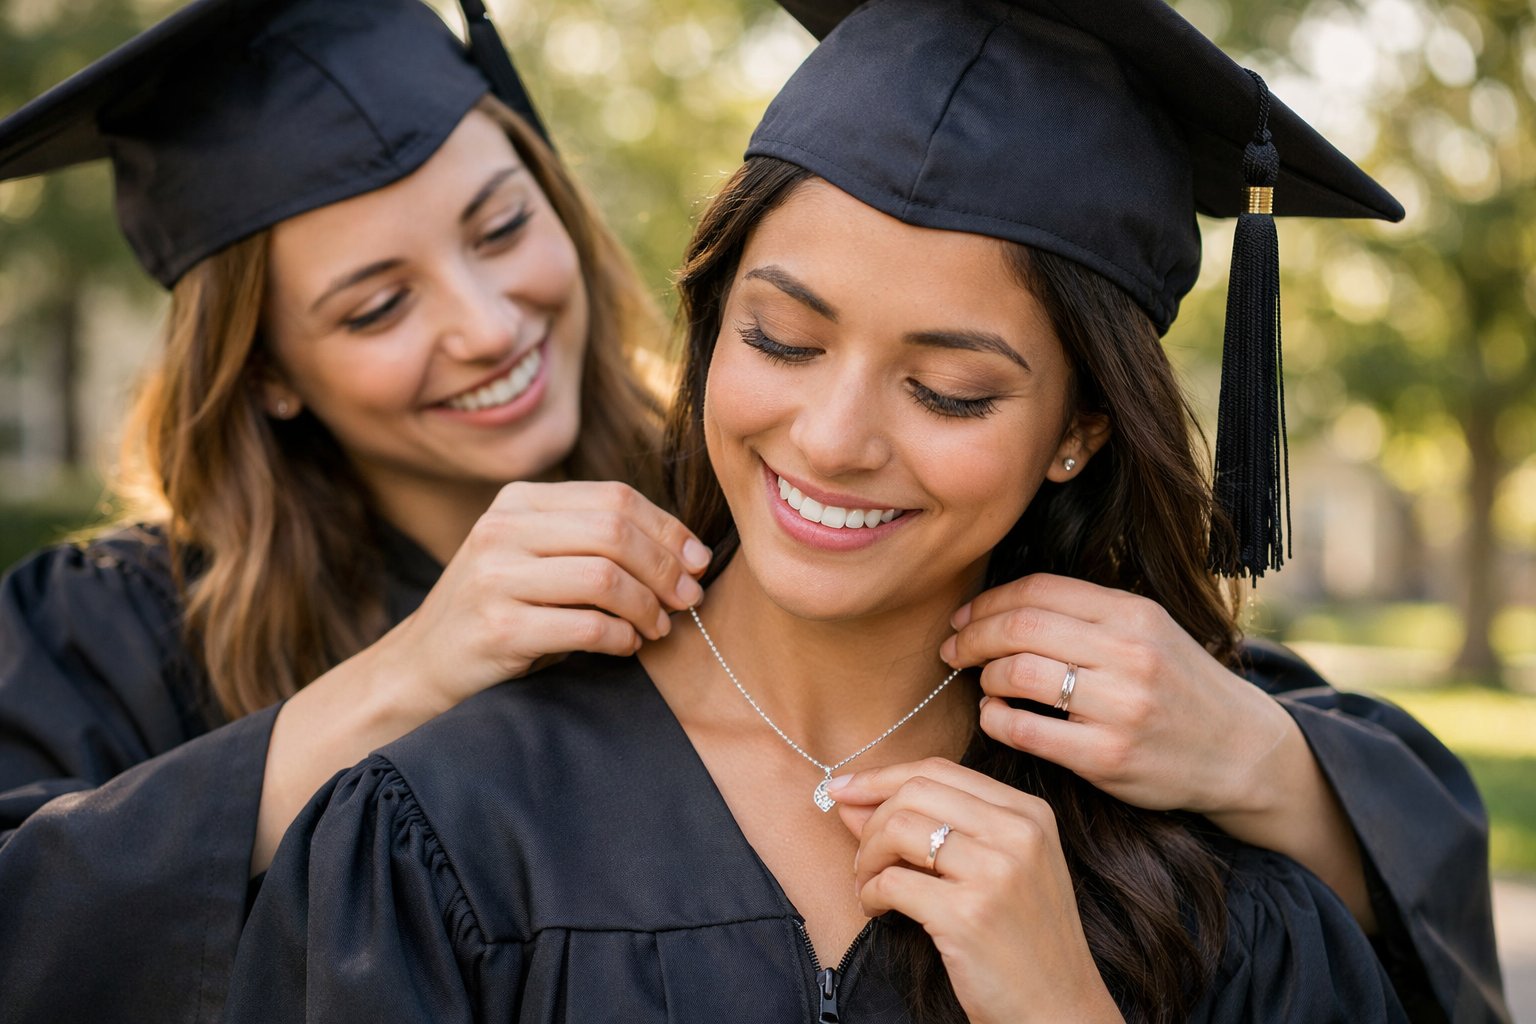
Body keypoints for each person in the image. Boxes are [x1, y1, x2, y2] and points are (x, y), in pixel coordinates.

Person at [222, 0, 1506, 1020]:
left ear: (1079, 432)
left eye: (949, 392)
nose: (832, 441)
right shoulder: (440, 830)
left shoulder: (1206, 884)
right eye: (780, 339)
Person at [0, 2, 710, 1021]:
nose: (488, 324)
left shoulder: (739, 522)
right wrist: (409, 672)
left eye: (502, 226)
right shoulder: (115, 629)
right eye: (378, 306)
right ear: (266, 372)